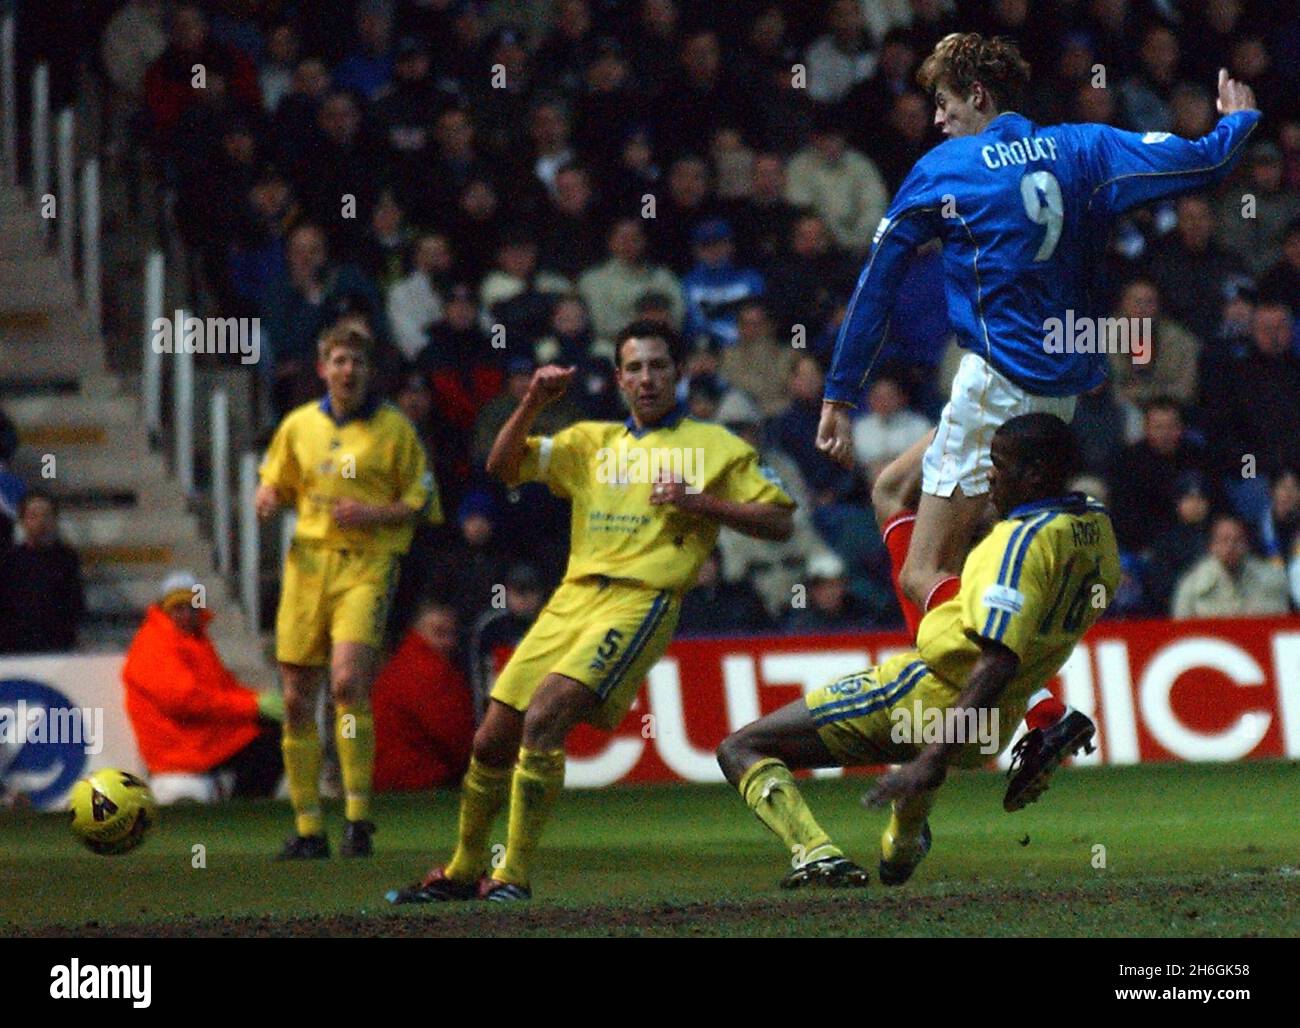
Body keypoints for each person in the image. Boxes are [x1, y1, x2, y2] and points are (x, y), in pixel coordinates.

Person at [816, 34, 1259, 754]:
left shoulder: (944, 170)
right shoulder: (1081, 147)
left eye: (945, 102)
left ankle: (1037, 708)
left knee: (926, 566)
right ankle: (977, 696)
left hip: (996, 382)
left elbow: (878, 285)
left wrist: (839, 393)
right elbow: (1200, 160)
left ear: (978, 98)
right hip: (1057, 391)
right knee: (892, 489)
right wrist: (1236, 122)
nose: (936, 119)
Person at [388, 320, 795, 904]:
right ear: (619, 378)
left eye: (658, 366)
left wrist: (697, 502)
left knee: (545, 715)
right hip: (572, 598)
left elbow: (780, 520)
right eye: (634, 368)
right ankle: (461, 869)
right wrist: (531, 400)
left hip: (639, 599)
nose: (647, 378)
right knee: (490, 740)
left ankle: (514, 876)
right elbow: (502, 467)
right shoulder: (590, 442)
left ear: (677, 373)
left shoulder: (717, 447)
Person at [718, 414, 1119, 888]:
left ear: (1033, 475)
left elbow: (997, 659)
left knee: (741, 747)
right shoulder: (1095, 527)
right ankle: (904, 840)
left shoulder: (1016, 544)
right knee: (917, 568)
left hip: (934, 691)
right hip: (997, 718)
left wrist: (931, 756)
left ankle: (816, 853)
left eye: (1000, 464)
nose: (989, 474)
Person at [255, 323, 441, 859]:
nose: (347, 370)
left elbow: (422, 501)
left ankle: (358, 817)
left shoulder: (394, 431)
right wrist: (267, 494)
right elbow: (277, 478)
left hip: (367, 565)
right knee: (294, 698)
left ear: (369, 370)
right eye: (338, 360)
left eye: (356, 362)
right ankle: (309, 826)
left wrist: (372, 513)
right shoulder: (298, 426)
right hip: (307, 568)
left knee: (346, 683)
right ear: (322, 368)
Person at [122, 572, 285, 801]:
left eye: (192, 607)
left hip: (198, 737)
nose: (187, 614)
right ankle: (242, 813)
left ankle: (242, 809)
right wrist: (253, 705)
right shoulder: (156, 645)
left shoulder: (193, 639)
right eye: (179, 608)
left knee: (271, 740)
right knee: (269, 748)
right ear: (165, 609)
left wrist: (257, 700)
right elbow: (186, 700)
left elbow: (223, 688)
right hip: (181, 747)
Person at [372, 601, 475, 792]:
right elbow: (455, 736)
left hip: (383, 779)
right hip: (416, 780)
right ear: (418, 631)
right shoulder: (428, 670)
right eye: (439, 633)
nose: (449, 642)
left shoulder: (401, 662)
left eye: (452, 634)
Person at [0, 491, 84, 654]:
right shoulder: (9, 561)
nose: (41, 522)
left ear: (54, 520)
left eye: (46, 515)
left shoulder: (67, 559)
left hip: (57, 646)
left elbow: (74, 604)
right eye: (33, 516)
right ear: (23, 521)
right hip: (14, 648)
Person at [1171, 515, 1290, 619]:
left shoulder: (1272, 580)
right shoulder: (1192, 586)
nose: (1231, 547)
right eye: (1224, 540)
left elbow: (1281, 629)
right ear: (1212, 546)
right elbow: (1181, 635)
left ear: (1246, 544)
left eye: (1237, 540)